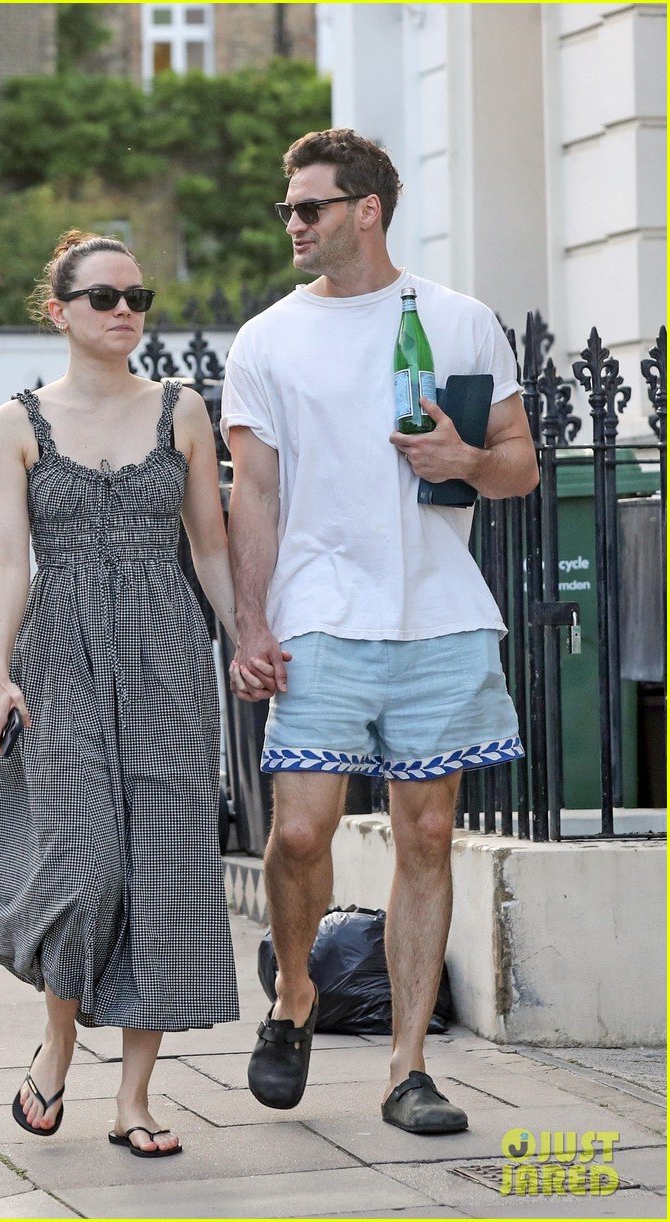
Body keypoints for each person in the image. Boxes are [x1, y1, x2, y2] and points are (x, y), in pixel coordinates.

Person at [220, 129, 538, 1134]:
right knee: (299, 832)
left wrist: (464, 456)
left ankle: (406, 1067)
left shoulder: (456, 321)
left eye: (307, 207)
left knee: (426, 833)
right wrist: (251, 619)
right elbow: (253, 495)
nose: (292, 225)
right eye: (285, 208)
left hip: (436, 615)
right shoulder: (265, 338)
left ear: (365, 208)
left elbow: (518, 464)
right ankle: (294, 996)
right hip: (319, 618)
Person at [0, 230, 240, 1156]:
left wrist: (248, 641)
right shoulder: (15, 422)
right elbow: (4, 560)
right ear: (59, 311)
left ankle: (137, 1100)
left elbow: (211, 547)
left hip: (166, 658)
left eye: (137, 297)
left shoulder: (184, 410)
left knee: (161, 873)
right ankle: (58, 1044)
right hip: (60, 657)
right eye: (105, 297)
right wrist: (0, 674)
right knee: (82, 870)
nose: (125, 312)